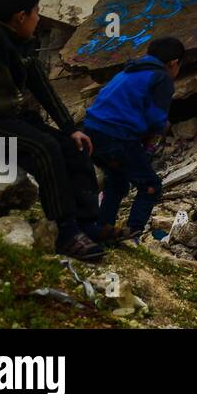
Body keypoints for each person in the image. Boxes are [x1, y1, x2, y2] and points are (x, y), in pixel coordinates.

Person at [0, 0, 104, 261]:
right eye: (36, 11)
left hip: (12, 120)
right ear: (20, 16)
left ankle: (89, 224)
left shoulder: (20, 44)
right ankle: (66, 232)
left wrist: (70, 129)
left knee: (73, 147)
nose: (39, 18)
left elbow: (43, 88)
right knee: (44, 148)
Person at [80, 37, 184, 241]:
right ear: (173, 63)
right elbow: (156, 119)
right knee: (150, 185)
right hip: (117, 135)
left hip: (91, 130)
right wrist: (162, 129)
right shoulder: (161, 78)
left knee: (118, 181)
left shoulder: (129, 71)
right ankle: (133, 232)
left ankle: (102, 228)